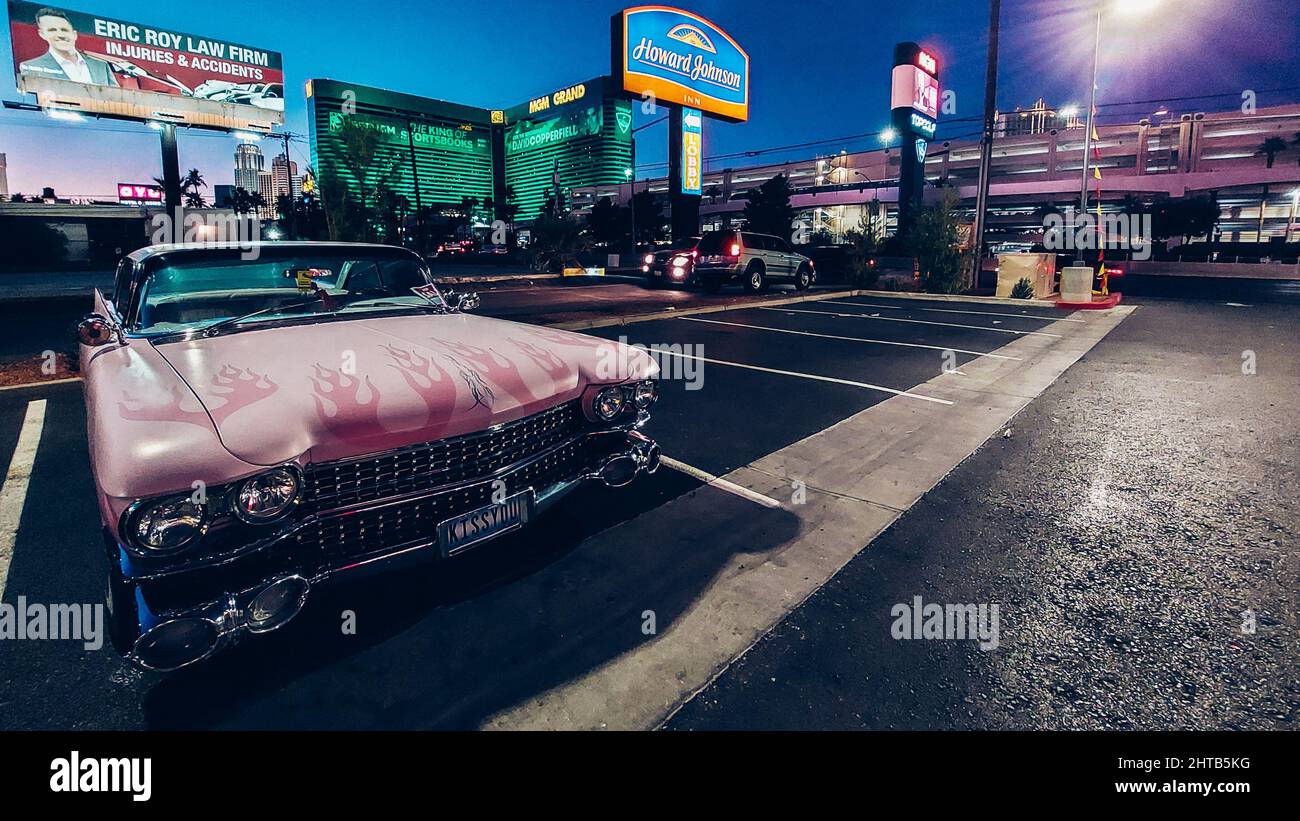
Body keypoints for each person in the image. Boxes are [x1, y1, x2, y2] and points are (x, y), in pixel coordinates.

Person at [18, 8, 119, 86]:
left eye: (64, 30)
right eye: (52, 30)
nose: (60, 35)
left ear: (74, 34)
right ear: (42, 34)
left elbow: (118, 100)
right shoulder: (30, 67)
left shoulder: (101, 66)